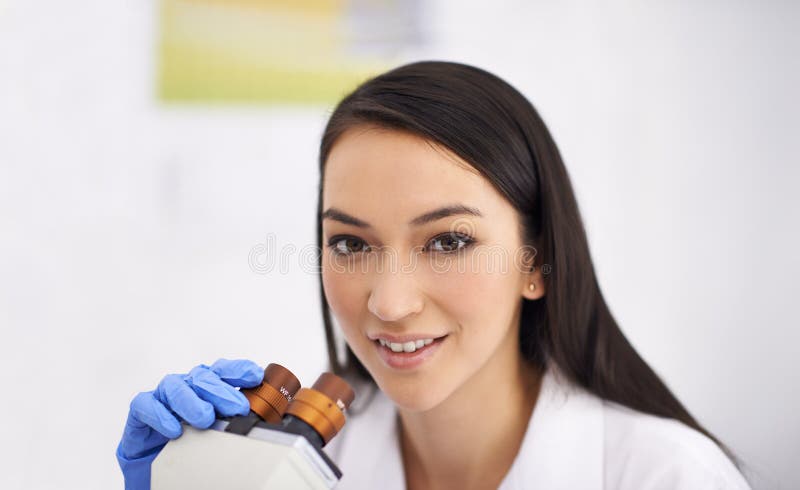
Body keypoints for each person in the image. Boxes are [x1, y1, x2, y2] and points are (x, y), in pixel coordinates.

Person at [116, 61, 752, 489]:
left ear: (535, 262)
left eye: (448, 241)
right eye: (350, 242)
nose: (390, 303)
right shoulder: (298, 467)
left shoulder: (665, 475)